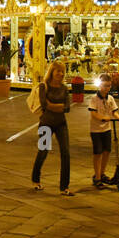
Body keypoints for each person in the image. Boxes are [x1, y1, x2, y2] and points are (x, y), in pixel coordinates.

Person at [31, 61, 74, 195]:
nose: (60, 74)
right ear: (52, 72)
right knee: (43, 151)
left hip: (61, 123)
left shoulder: (64, 88)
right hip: (46, 123)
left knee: (66, 153)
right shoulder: (44, 87)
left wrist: (53, 106)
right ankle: (36, 180)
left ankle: (64, 186)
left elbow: (67, 107)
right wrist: (58, 106)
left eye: (62, 71)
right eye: (58, 71)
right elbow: (44, 104)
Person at [87, 73, 119, 189]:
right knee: (97, 153)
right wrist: (102, 118)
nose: (106, 88)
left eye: (108, 86)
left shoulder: (111, 98)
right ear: (100, 86)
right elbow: (93, 113)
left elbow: (114, 111)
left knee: (107, 151)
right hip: (96, 130)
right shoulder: (94, 98)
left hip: (107, 129)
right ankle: (97, 177)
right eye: (104, 86)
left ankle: (101, 173)